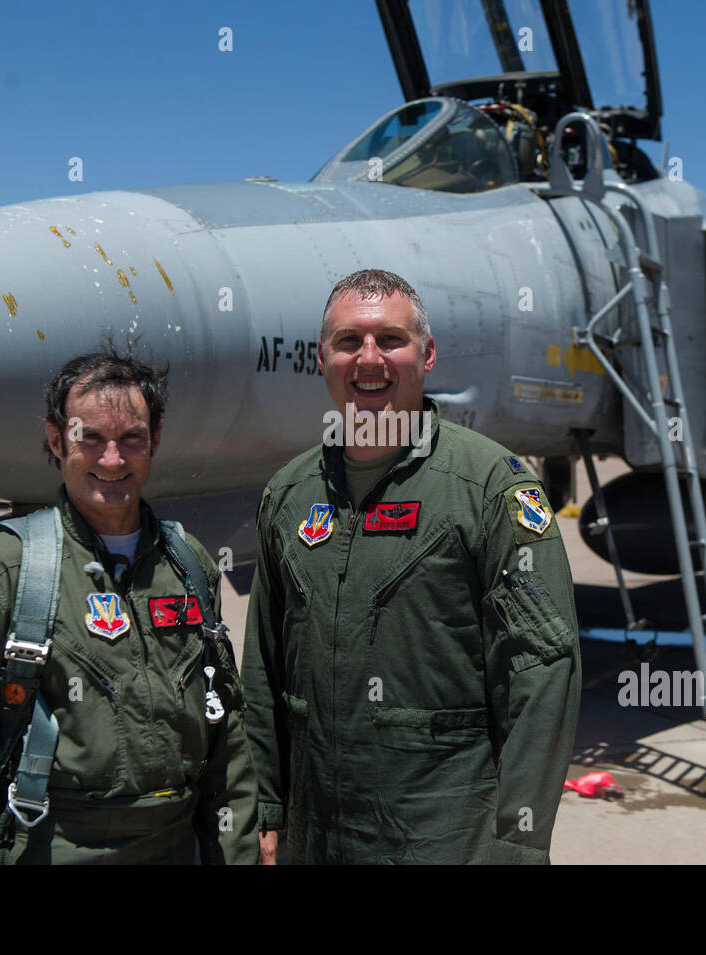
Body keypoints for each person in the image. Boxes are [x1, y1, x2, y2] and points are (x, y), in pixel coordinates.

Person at [241, 269, 582, 864]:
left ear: (427, 355)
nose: (368, 359)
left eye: (390, 340)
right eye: (349, 341)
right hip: (315, 836)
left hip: (444, 838)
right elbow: (263, 671)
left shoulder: (490, 489)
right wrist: (265, 810)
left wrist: (517, 846)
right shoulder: (289, 495)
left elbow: (541, 674)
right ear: (322, 357)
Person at [0, 346, 259, 864]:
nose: (112, 459)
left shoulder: (187, 565)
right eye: (89, 438)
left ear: (155, 441)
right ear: (57, 440)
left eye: (131, 440)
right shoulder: (3, 571)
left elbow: (226, 743)